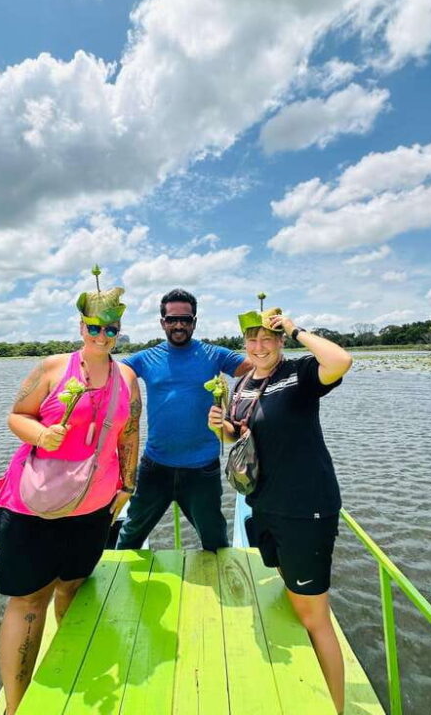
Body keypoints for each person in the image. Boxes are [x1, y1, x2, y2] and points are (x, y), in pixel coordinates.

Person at [0, 277, 140, 715]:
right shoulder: (52, 369)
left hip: (94, 508)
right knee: (29, 598)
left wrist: (127, 486)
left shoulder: (128, 378)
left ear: (119, 333)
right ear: (81, 326)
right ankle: (16, 707)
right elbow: (16, 415)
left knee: (73, 587)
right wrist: (41, 432)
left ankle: (70, 668)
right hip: (33, 506)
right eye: (94, 328)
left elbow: (129, 434)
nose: (102, 337)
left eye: (111, 330)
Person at [209, 305, 352, 715]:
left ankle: (336, 707)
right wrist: (219, 423)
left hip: (306, 508)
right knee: (294, 595)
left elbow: (341, 360)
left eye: (267, 339)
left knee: (315, 616)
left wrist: (294, 326)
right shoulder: (241, 386)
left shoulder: (300, 375)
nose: (259, 346)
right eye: (252, 340)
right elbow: (239, 434)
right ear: (244, 344)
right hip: (264, 506)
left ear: (279, 341)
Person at [116, 288, 251, 552]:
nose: (179, 325)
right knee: (130, 537)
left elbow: (259, 366)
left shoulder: (215, 355)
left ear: (194, 322)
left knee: (215, 542)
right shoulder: (145, 358)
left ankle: (221, 591)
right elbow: (111, 372)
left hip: (203, 470)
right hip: (155, 467)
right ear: (162, 322)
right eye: (172, 319)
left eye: (186, 319)